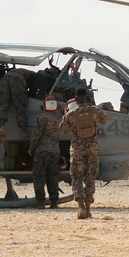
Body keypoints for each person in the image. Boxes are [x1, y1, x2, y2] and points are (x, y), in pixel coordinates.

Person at [60, 89, 108, 219]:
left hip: (77, 149)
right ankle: (88, 209)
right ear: (87, 97)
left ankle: (80, 206)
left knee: (77, 177)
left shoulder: (71, 114)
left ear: (75, 99)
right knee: (90, 178)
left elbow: (63, 130)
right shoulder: (95, 111)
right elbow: (104, 120)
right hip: (92, 148)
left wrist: (66, 116)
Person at [0, 63, 30, 200]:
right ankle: (23, 130)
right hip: (18, 80)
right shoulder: (33, 76)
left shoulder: (9, 74)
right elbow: (32, 92)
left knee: (3, 106)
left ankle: (2, 126)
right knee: (20, 107)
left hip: (4, 80)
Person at [30, 98, 64, 209]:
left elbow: (36, 134)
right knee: (53, 176)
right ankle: (54, 201)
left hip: (42, 151)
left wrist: (31, 148)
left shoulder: (43, 118)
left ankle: (40, 201)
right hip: (55, 151)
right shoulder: (59, 118)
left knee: (39, 176)